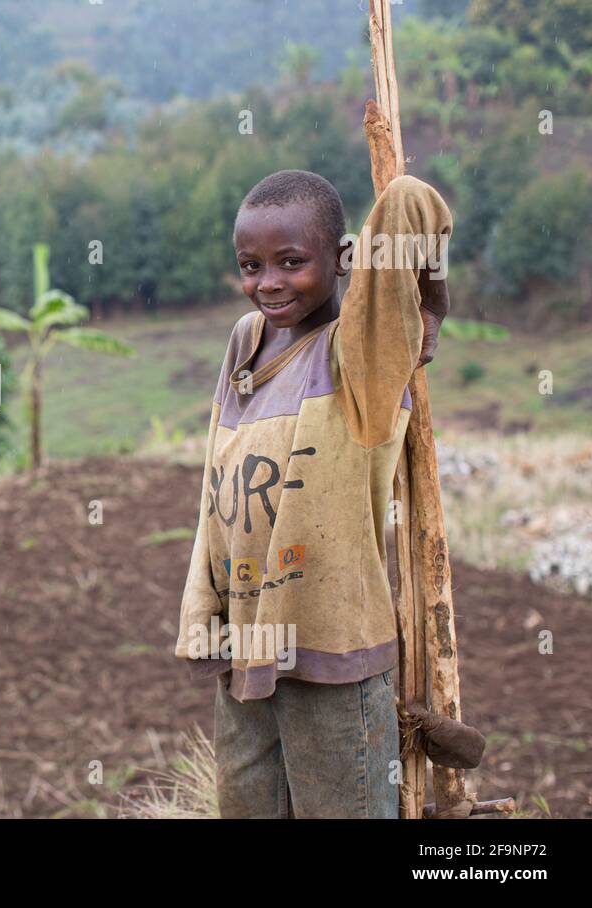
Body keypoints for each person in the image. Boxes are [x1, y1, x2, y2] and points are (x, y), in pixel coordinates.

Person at [173, 170, 455, 818]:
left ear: (344, 259)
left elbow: (414, 206)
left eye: (293, 263)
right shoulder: (246, 342)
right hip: (247, 645)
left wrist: (426, 307)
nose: (269, 282)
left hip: (332, 652)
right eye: (251, 265)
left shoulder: (357, 360)